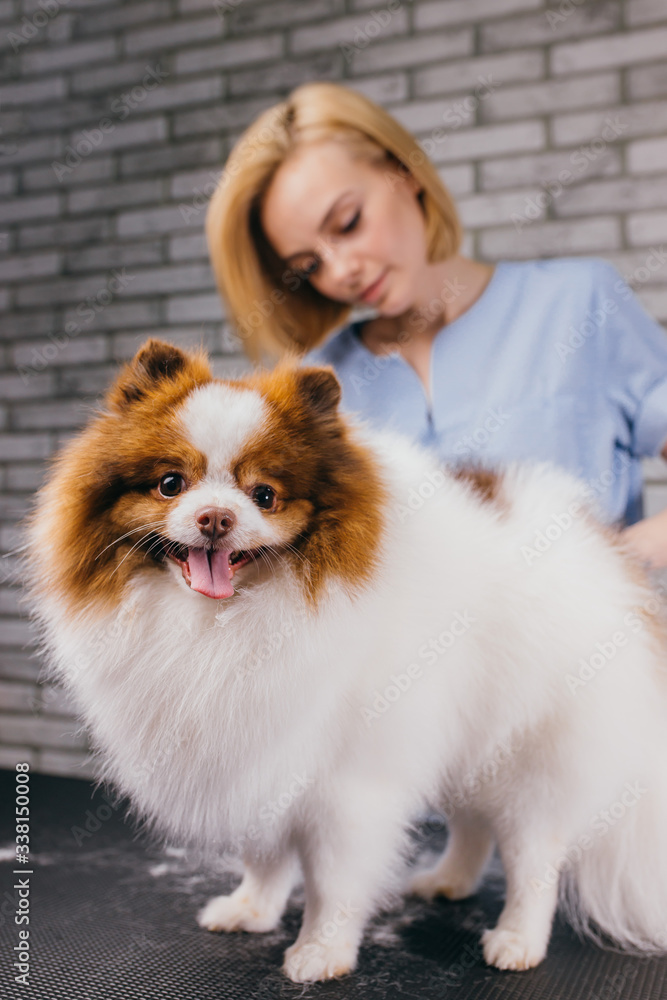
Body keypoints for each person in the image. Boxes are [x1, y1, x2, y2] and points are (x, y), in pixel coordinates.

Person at [205, 81, 667, 568]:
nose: (341, 271)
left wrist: (615, 568)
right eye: (308, 267)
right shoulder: (321, 386)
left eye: (348, 223)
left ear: (404, 173)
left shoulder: (578, 303)